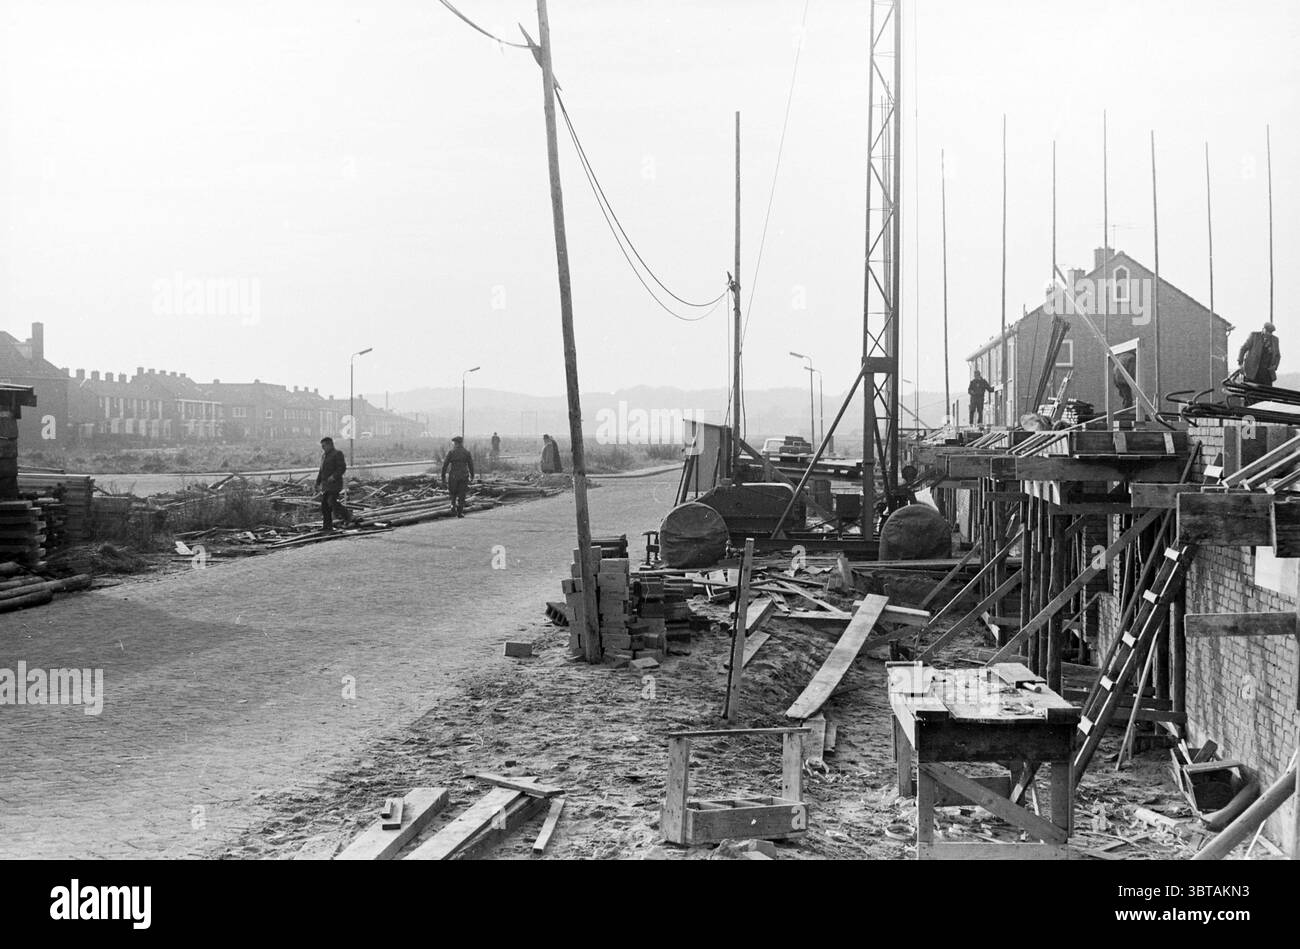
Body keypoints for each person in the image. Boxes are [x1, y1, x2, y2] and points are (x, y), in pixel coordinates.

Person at [315, 437, 351, 532]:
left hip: (335, 484)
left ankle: (347, 516)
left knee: (331, 501)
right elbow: (321, 470)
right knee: (324, 506)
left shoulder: (337, 454)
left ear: (330, 445)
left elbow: (342, 468)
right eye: (322, 446)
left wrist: (334, 476)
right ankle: (327, 526)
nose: (323, 448)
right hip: (326, 485)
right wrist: (317, 482)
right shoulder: (324, 456)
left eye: (324, 446)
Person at [441, 435, 475, 518]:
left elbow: (445, 465)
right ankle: (460, 512)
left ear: (455, 443)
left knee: (453, 492)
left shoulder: (451, 452)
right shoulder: (466, 452)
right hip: (464, 475)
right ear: (462, 443)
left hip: (453, 475)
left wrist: (443, 477)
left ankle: (452, 505)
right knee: (462, 494)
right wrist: (472, 476)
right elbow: (471, 465)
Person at [1238, 322, 1281, 387]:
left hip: (1266, 375)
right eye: (1267, 331)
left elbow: (1277, 356)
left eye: (1270, 332)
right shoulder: (1254, 336)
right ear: (1263, 329)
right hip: (1252, 373)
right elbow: (1243, 349)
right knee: (1250, 393)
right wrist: (1240, 364)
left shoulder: (1275, 340)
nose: (1268, 334)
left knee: (1265, 394)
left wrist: (1274, 366)